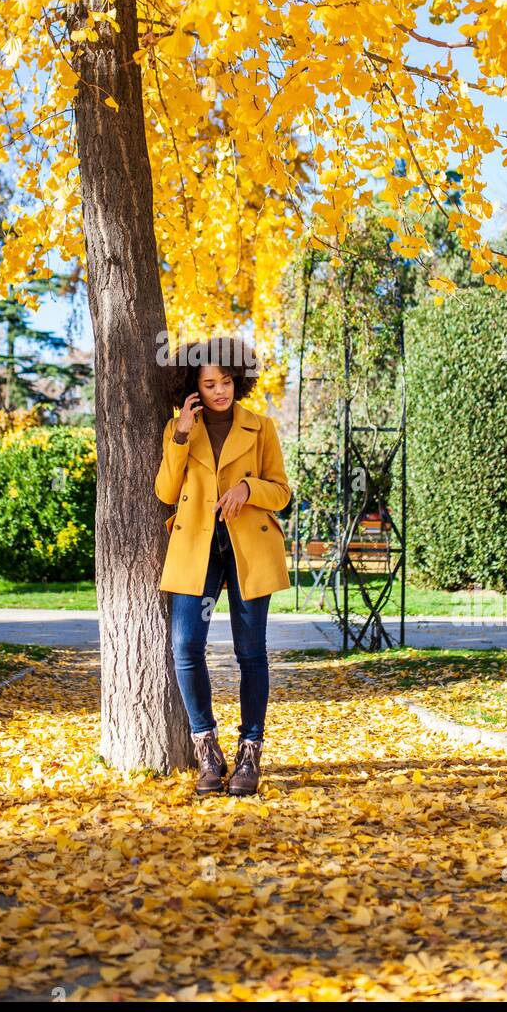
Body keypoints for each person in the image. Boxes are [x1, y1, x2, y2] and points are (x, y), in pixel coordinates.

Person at [154, 337, 292, 798]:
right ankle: (208, 753)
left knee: (250, 651)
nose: (219, 391)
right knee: (186, 645)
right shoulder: (180, 429)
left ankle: (250, 754)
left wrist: (248, 489)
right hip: (196, 548)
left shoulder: (261, 427)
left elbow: (282, 492)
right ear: (192, 387)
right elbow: (165, 493)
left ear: (238, 380)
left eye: (226, 381)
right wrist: (179, 434)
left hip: (247, 547)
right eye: (209, 384)